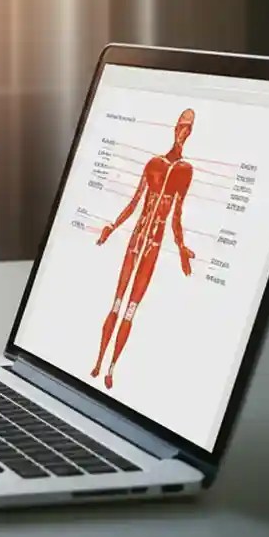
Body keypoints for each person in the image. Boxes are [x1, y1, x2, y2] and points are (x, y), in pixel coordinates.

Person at [90, 108, 197, 389]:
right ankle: (99, 361)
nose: (183, 132)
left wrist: (182, 247)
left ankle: (111, 368)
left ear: (191, 133)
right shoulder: (154, 164)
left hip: (153, 247)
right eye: (181, 126)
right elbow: (136, 200)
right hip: (136, 242)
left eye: (188, 129)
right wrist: (112, 227)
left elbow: (176, 217)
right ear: (174, 127)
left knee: (130, 310)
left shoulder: (186, 171)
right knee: (116, 302)